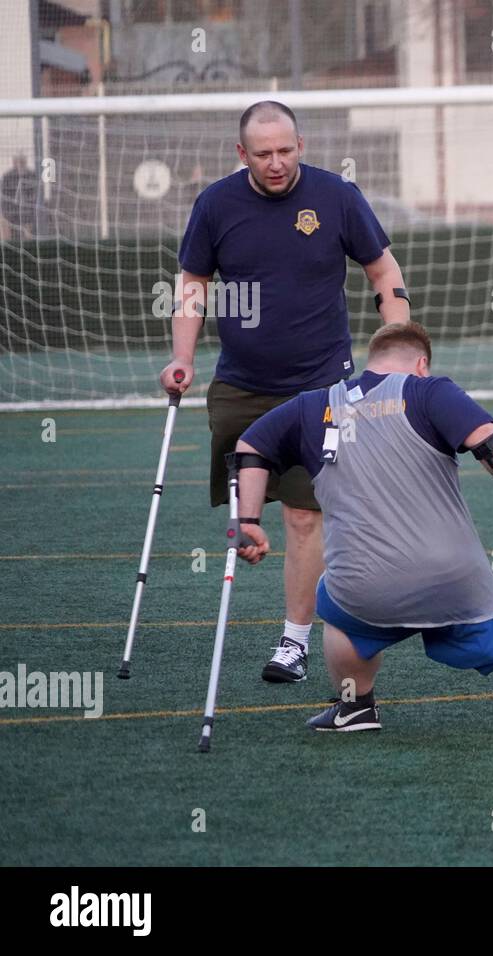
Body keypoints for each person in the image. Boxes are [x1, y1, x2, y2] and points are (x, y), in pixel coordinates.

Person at [160, 100, 411, 685]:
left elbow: (383, 271)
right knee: (246, 518)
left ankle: (293, 643)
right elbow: (193, 283)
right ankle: (249, 533)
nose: (277, 164)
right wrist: (180, 356)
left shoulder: (337, 196)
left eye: (286, 150)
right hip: (240, 387)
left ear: (303, 144)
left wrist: (396, 344)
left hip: (320, 387)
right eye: (263, 153)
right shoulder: (216, 204)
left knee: (304, 515)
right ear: (240, 153)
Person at [233, 322, 493, 731]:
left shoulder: (312, 406)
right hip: (457, 587)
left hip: (366, 591)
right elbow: (490, 439)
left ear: (372, 361)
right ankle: (472, 643)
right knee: (477, 627)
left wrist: (249, 521)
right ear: (422, 364)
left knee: (330, 595)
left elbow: (250, 447)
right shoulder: (429, 390)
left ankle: (356, 706)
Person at [0, 155, 38, 240]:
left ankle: (28, 243)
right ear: (14, 163)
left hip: (27, 210)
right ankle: (6, 244)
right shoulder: (7, 176)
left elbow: (34, 195)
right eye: (18, 162)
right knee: (3, 222)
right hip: (11, 209)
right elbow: (4, 196)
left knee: (28, 223)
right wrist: (6, 212)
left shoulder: (31, 175)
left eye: (22, 162)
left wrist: (28, 206)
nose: (20, 164)